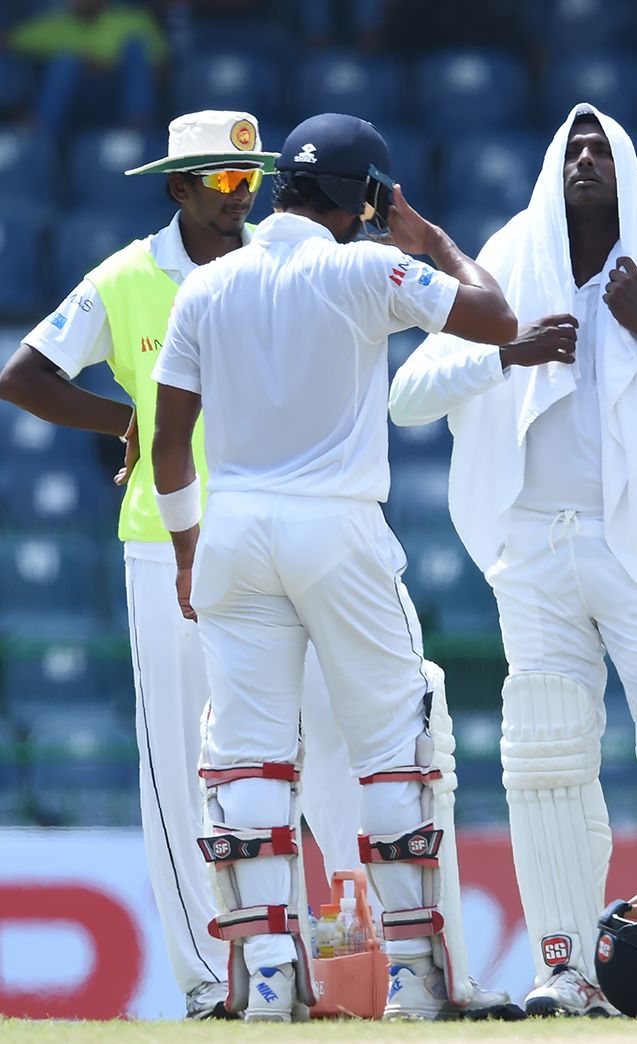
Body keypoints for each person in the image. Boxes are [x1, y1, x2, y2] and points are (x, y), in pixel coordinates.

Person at [389, 104, 637, 1019]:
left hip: (635, 541)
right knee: (544, 762)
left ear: (629, 170)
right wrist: (505, 354)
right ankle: (563, 970)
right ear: (550, 170)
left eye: (602, 150)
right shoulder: (505, 264)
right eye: (572, 150)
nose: (584, 160)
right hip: (532, 545)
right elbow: (407, 396)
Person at [150, 111, 521, 1023]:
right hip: (338, 529)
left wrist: (188, 552)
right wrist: (426, 239)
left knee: (246, 757)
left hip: (233, 528)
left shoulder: (206, 285)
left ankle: (270, 981)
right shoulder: (367, 268)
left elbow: (168, 446)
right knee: (394, 745)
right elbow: (496, 318)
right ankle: (416, 980)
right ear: (369, 197)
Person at [0, 109, 367, 1020]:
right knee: (177, 762)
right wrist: (123, 420)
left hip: (275, 532)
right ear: (178, 187)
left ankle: (335, 953)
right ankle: (211, 984)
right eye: (224, 182)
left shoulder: (278, 265)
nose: (242, 197)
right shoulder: (126, 277)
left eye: (252, 180)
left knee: (312, 740)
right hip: (164, 545)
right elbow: (23, 374)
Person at [4, 0, 166, 134]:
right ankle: (41, 132)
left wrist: (110, 68)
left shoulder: (133, 19)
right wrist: (83, 64)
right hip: (80, 98)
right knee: (65, 62)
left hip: (121, 93)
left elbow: (160, 65)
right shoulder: (58, 24)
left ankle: (137, 126)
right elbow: (12, 39)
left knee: (134, 49)